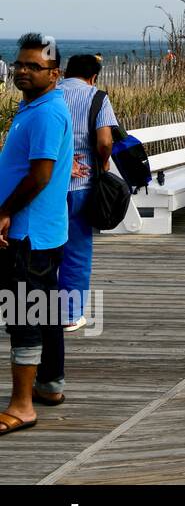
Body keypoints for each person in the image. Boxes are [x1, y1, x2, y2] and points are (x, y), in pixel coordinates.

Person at [0, 33, 75, 434]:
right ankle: (49, 386)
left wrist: (4, 211)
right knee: (44, 311)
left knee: (22, 313)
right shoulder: (35, 106)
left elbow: (41, 175)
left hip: (28, 232)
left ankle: (22, 405)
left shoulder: (46, 113)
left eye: (34, 66)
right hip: (44, 230)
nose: (23, 71)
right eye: (19, 65)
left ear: (54, 74)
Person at [57, 54, 118, 331]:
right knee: (77, 251)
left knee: (41, 251)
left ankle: (32, 310)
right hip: (81, 186)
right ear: (94, 77)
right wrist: (103, 163)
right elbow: (105, 141)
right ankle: (69, 315)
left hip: (45, 185)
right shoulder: (97, 98)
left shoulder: (48, 95)